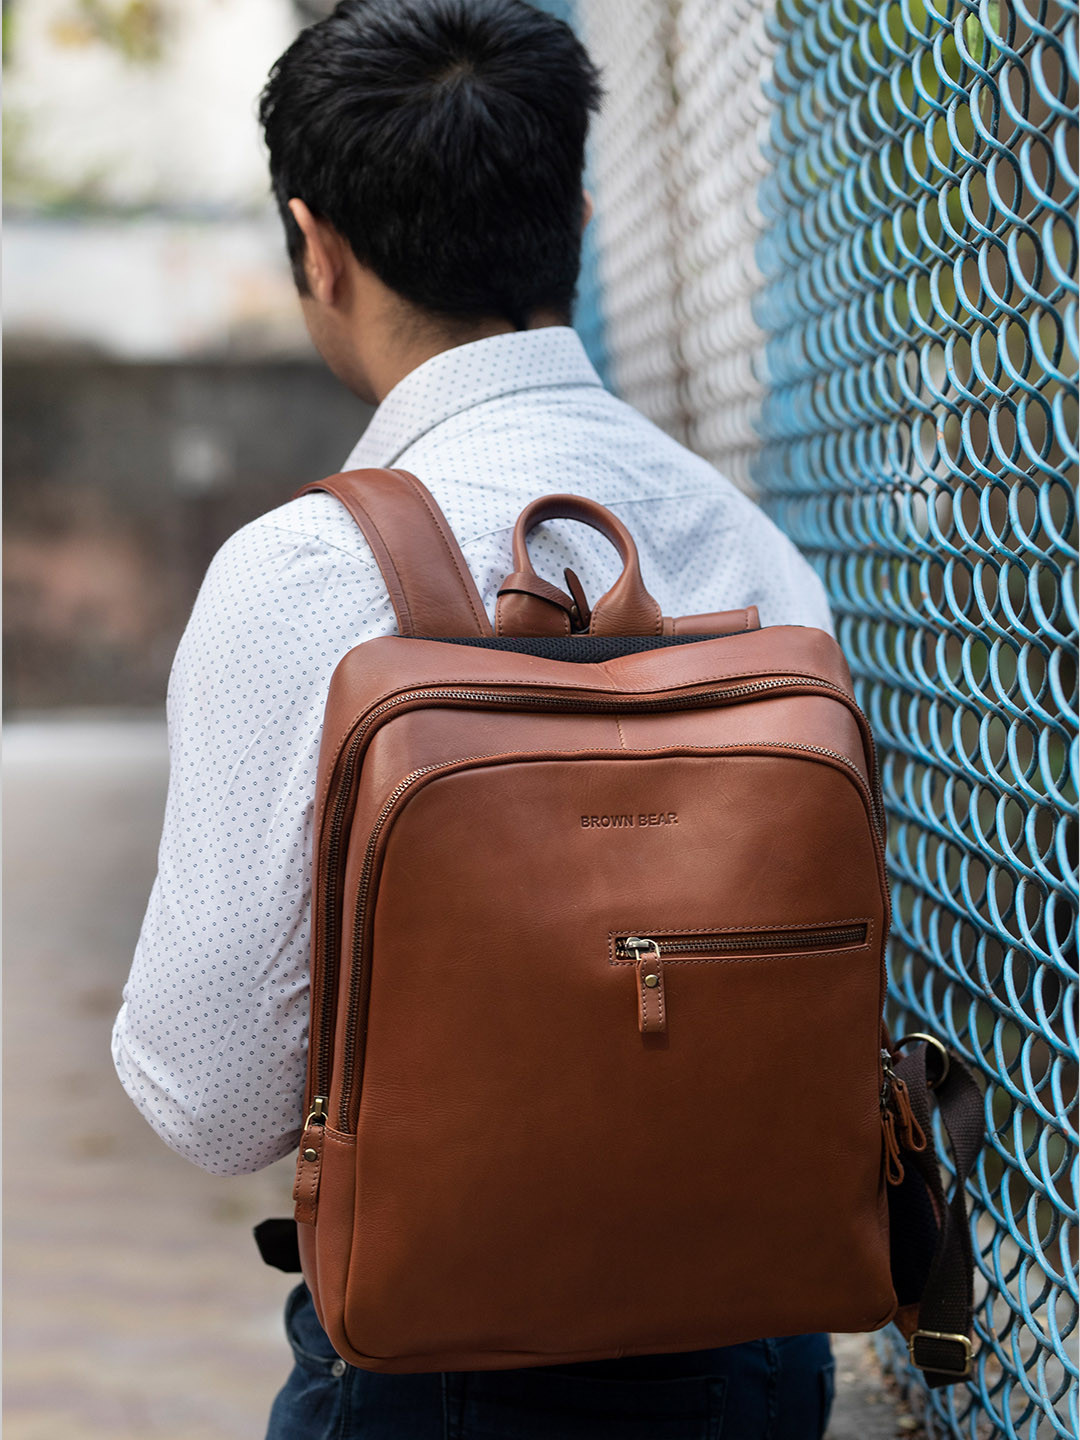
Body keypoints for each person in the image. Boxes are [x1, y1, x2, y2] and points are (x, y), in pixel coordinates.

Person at [112, 1, 838, 1435]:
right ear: (572, 212)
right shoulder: (750, 548)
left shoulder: (299, 576)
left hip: (439, 1365)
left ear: (316, 247)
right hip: (757, 1343)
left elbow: (211, 1100)